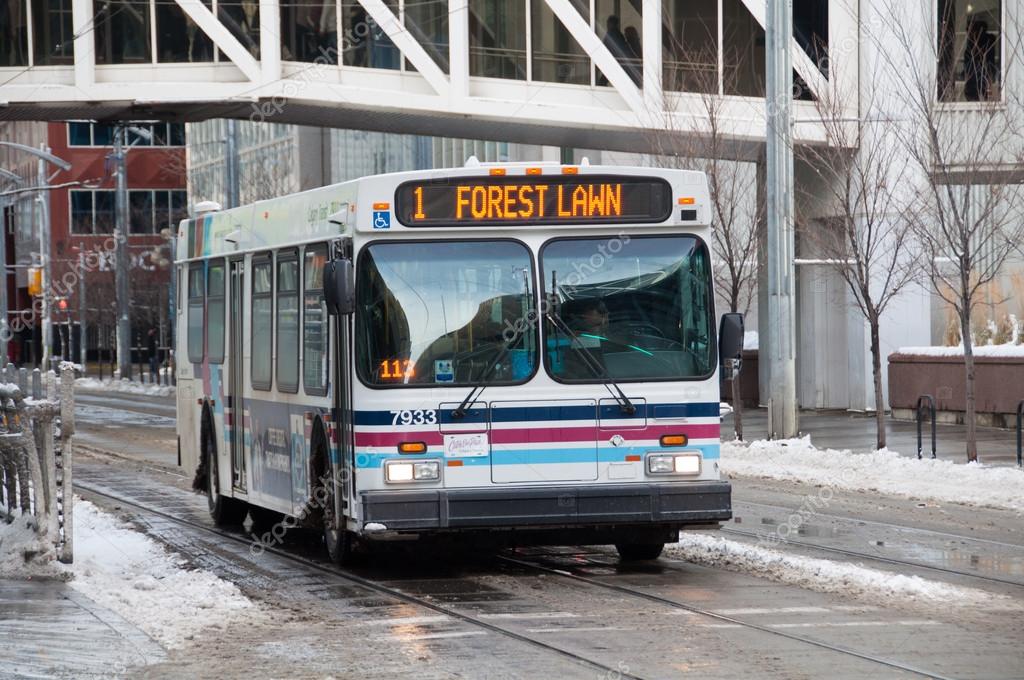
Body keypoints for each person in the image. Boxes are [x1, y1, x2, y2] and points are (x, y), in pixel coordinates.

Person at [964, 19, 997, 101]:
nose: (968, 35)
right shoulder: (986, 43)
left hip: (978, 79)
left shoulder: (977, 45)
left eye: (969, 32)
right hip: (979, 77)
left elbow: (970, 66)